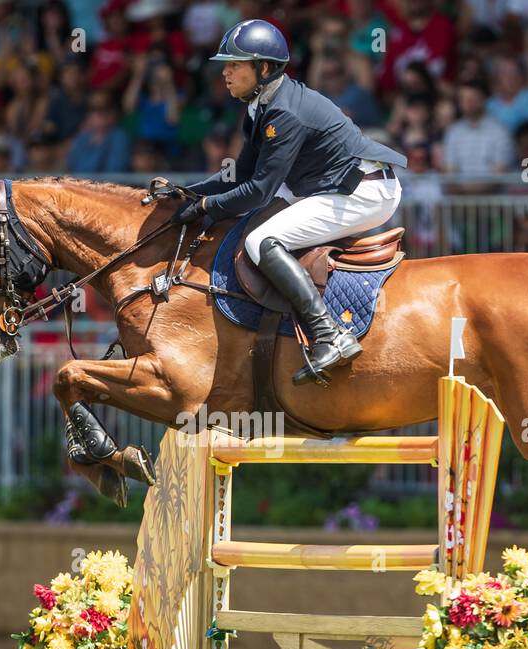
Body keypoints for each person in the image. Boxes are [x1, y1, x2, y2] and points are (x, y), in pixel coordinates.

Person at [173, 19, 407, 385]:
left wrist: (205, 208)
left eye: (235, 64)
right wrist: (189, 192)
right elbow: (239, 175)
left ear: (263, 68)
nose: (225, 73)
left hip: (362, 191)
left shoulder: (283, 113)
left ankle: (329, 334)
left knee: (261, 241)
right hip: (321, 184)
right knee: (249, 224)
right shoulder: (260, 105)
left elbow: (259, 190)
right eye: (225, 65)